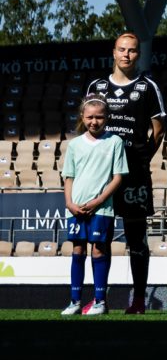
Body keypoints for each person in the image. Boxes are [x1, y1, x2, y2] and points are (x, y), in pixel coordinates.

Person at [84, 30, 165, 314]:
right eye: (122, 49)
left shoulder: (147, 87)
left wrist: (143, 157)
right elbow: (87, 124)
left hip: (134, 174)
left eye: (132, 50)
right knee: (100, 239)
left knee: (136, 238)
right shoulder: (97, 86)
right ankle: (99, 300)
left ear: (137, 54)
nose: (127, 54)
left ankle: (139, 299)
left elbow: (159, 129)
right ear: (114, 52)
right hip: (101, 177)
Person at [61, 96, 124, 316]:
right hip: (76, 207)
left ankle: (100, 301)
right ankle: (75, 301)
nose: (94, 121)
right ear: (82, 117)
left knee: (99, 250)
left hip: (102, 208)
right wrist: (69, 203)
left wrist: (98, 201)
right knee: (77, 250)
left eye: (99, 117)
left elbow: (117, 177)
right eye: (90, 117)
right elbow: (68, 177)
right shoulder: (75, 144)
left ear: (107, 118)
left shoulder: (115, 141)